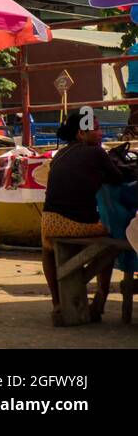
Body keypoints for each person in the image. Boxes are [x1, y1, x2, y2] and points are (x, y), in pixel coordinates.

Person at [41, 110, 128, 324]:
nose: (101, 134)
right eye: (96, 129)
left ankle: (57, 304)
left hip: (49, 222)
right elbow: (119, 177)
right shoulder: (96, 153)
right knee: (110, 235)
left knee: (48, 249)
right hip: (75, 224)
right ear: (81, 133)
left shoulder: (60, 154)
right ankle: (100, 299)